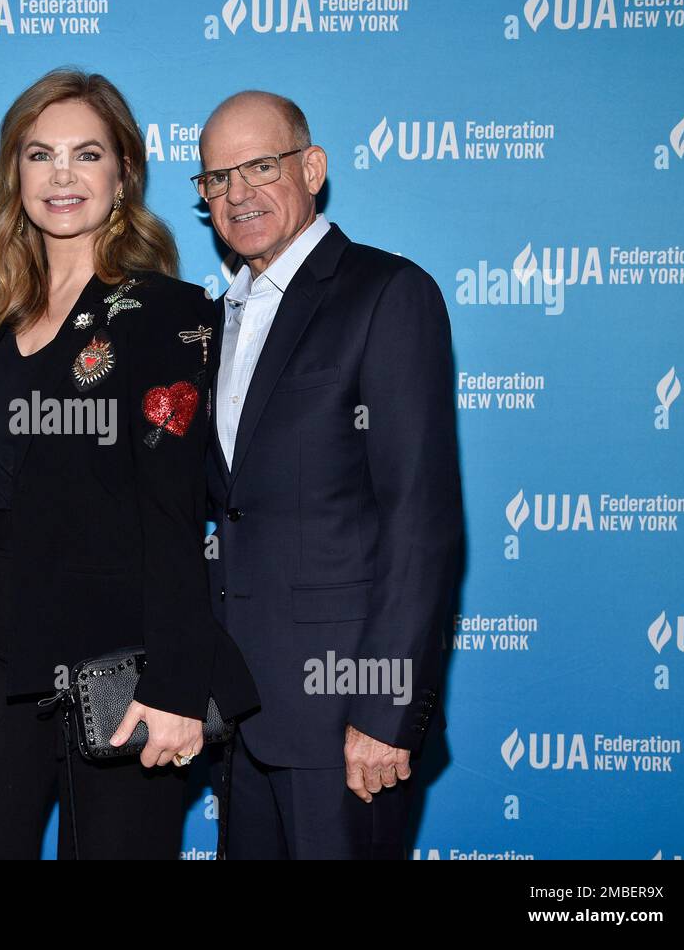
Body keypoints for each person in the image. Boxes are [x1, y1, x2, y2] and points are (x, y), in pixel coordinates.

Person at [0, 70, 257, 860]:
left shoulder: (167, 316)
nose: (63, 175)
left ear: (123, 177)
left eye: (87, 154)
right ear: (16, 175)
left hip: (122, 661)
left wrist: (178, 685)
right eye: (40, 155)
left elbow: (176, 514)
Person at [193, 91, 463, 859]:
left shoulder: (385, 294)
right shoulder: (215, 321)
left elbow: (420, 519)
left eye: (261, 167)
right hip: (240, 720)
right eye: (217, 179)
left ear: (312, 168)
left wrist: (384, 711)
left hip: (347, 721)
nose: (238, 193)